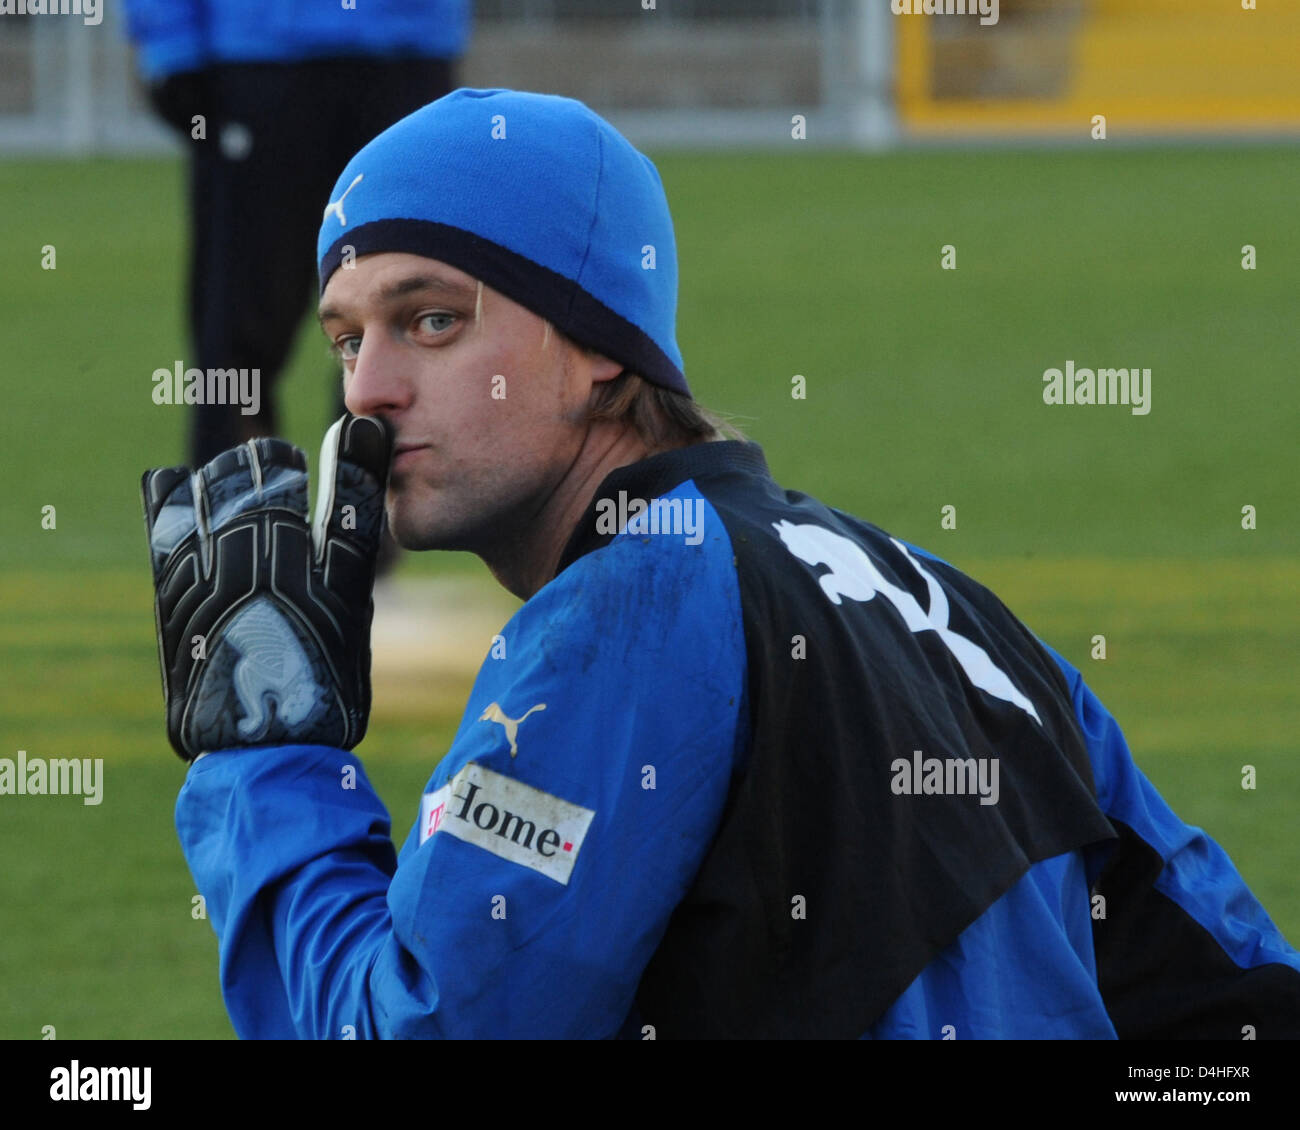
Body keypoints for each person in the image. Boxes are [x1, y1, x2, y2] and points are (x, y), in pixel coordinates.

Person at [140, 88, 1300, 1039]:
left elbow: (429, 1032)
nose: (369, 391)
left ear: (596, 342)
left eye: (431, 319)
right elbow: (1229, 986)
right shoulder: (936, 592)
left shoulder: (628, 603)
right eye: (347, 338)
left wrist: (267, 757)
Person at [122, 0, 471, 467]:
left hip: (405, 52)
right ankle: (232, 519)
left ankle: (367, 523)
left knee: (403, 310)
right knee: (237, 323)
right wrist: (170, 44)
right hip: (257, 60)